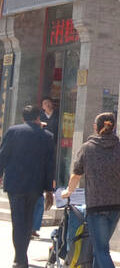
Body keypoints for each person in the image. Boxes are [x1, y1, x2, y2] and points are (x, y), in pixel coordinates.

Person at [63, 112, 120, 268]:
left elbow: (76, 174)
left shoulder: (87, 148)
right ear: (113, 127)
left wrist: (67, 192)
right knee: (103, 247)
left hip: (96, 205)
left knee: (100, 248)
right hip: (116, 203)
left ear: (95, 126)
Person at [0, 105, 55, 268]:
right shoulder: (47, 136)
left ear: (23, 118)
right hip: (35, 185)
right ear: (38, 118)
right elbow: (49, 165)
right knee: (28, 220)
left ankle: (20, 257)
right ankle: (22, 256)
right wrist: (49, 190)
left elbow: (2, 156)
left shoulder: (12, 131)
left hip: (15, 184)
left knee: (18, 221)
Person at [32, 97, 60, 238]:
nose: (48, 105)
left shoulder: (58, 116)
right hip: (30, 177)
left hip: (53, 151)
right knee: (36, 202)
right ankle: (29, 228)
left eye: (49, 103)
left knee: (38, 202)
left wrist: (49, 185)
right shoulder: (40, 119)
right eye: (45, 103)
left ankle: (33, 228)